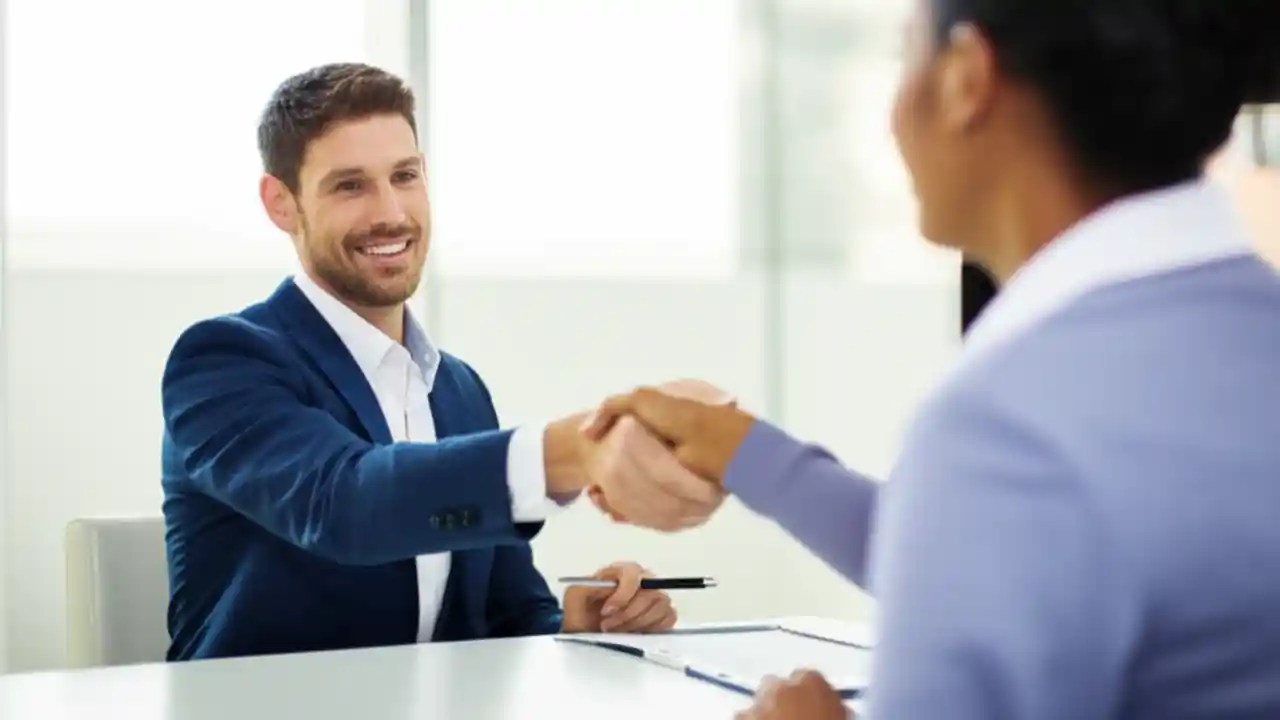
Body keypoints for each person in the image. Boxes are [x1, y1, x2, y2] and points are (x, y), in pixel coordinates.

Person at [582, 0, 1280, 717]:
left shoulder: (1013, 418)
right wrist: (750, 455)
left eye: (904, 53)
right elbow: (1004, 555)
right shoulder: (1231, 338)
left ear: (965, 79)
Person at [159, 63, 689, 661]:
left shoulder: (458, 388)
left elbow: (505, 613)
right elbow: (345, 505)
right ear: (281, 203)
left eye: (404, 176)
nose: (390, 213)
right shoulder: (223, 362)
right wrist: (573, 451)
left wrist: (580, 621)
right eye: (350, 186)